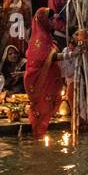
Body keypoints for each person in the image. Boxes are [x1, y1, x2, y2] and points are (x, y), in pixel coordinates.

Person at [24, 7, 64, 137]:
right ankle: (39, 140)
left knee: (45, 109)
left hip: (48, 81)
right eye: (50, 19)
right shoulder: (40, 37)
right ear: (43, 20)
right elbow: (46, 58)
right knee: (41, 110)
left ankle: (41, 139)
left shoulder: (46, 36)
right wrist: (70, 55)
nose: (53, 22)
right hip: (40, 82)